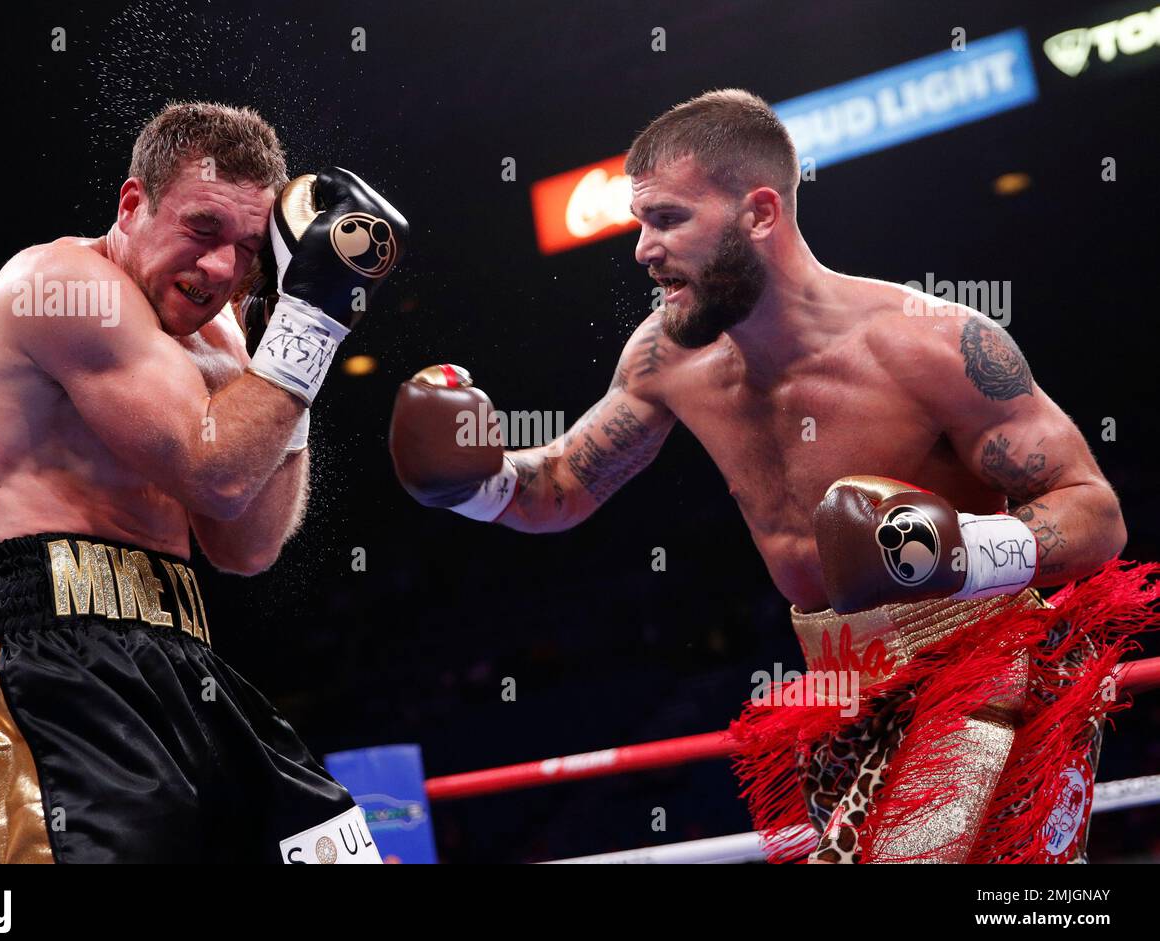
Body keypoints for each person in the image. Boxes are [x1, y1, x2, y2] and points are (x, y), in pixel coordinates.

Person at [388, 89, 1155, 863]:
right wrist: (477, 478)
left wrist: (954, 552)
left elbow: (1096, 513)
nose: (642, 249)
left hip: (979, 665)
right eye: (640, 221)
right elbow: (557, 487)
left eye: (668, 218)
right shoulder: (666, 356)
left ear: (760, 212)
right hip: (842, 688)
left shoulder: (936, 346)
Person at [0, 101, 407, 863]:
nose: (224, 268)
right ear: (133, 205)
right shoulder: (60, 286)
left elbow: (247, 544)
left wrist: (285, 345)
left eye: (250, 248)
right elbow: (214, 474)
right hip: (54, 658)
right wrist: (309, 325)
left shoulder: (227, 334)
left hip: (183, 656)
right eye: (202, 228)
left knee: (335, 853)